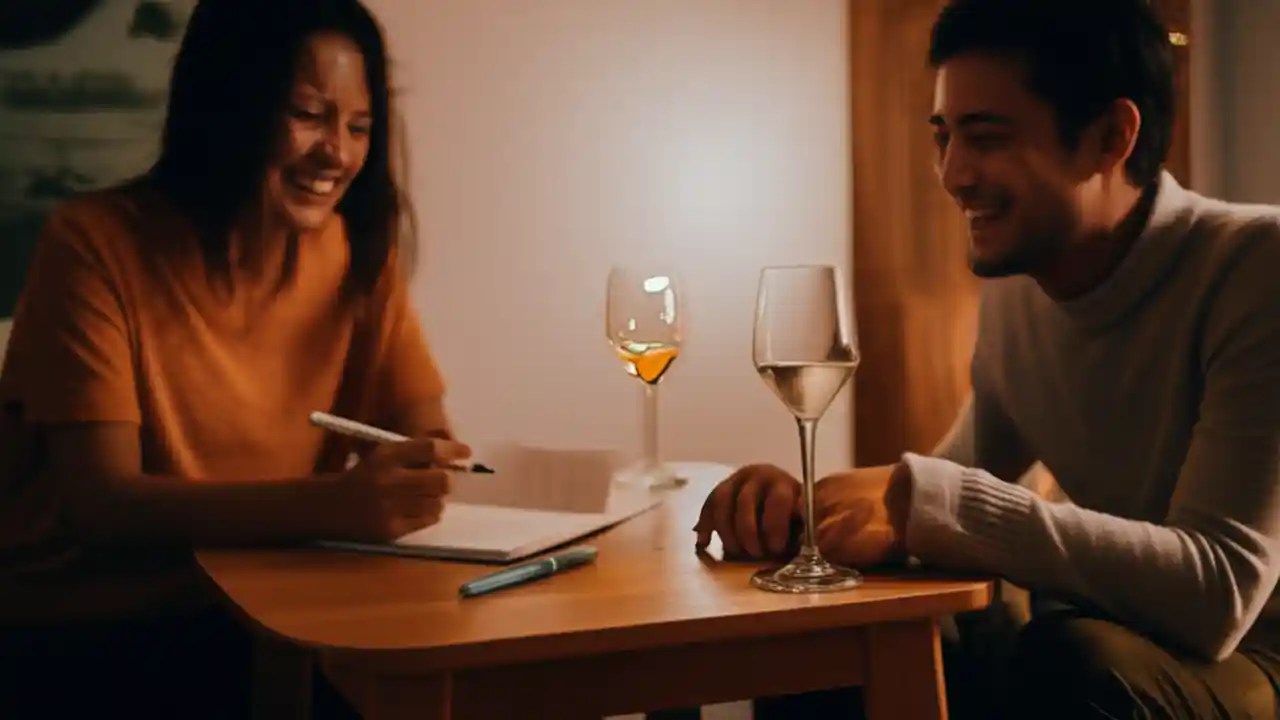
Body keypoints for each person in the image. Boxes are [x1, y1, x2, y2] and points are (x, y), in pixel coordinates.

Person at [696, 0, 1280, 717]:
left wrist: (932, 504)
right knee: (826, 645)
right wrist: (801, 508)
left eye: (987, 136)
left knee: (1077, 663)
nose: (951, 174)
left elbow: (1218, 589)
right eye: (944, 135)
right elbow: (955, 486)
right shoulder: (1022, 291)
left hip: (1253, 656)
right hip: (1086, 630)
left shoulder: (1257, 266)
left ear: (1110, 136)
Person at [0, 1, 467, 716]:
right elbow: (101, 502)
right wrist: (335, 504)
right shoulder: (94, 244)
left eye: (359, 127)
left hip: (269, 610)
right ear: (228, 106)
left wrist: (422, 467)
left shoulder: (356, 251)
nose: (337, 153)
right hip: (85, 622)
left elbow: (424, 430)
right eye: (309, 115)